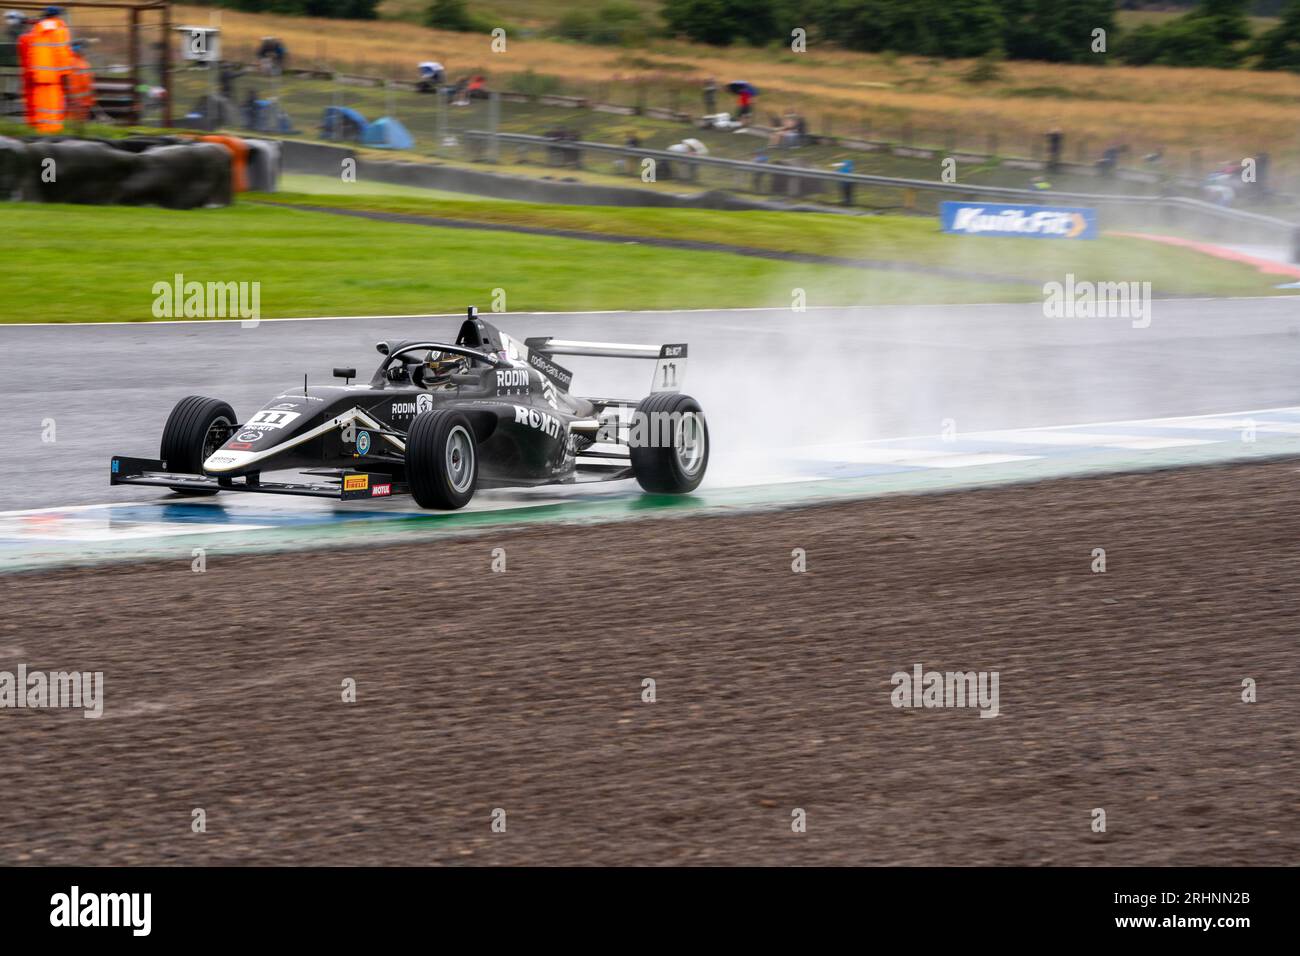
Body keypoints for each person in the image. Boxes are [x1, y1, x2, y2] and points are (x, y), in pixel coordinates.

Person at [26, 6, 71, 132]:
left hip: (39, 75)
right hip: (54, 76)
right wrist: (65, 73)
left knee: (42, 107)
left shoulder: (37, 29)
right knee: (54, 107)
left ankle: (42, 133)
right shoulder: (59, 29)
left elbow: (31, 52)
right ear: (58, 16)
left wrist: (33, 71)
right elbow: (61, 52)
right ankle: (53, 134)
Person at [65, 37, 93, 122]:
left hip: (84, 104)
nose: (86, 50)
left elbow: (88, 84)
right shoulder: (69, 62)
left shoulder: (85, 63)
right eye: (84, 47)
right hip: (74, 104)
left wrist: (89, 101)